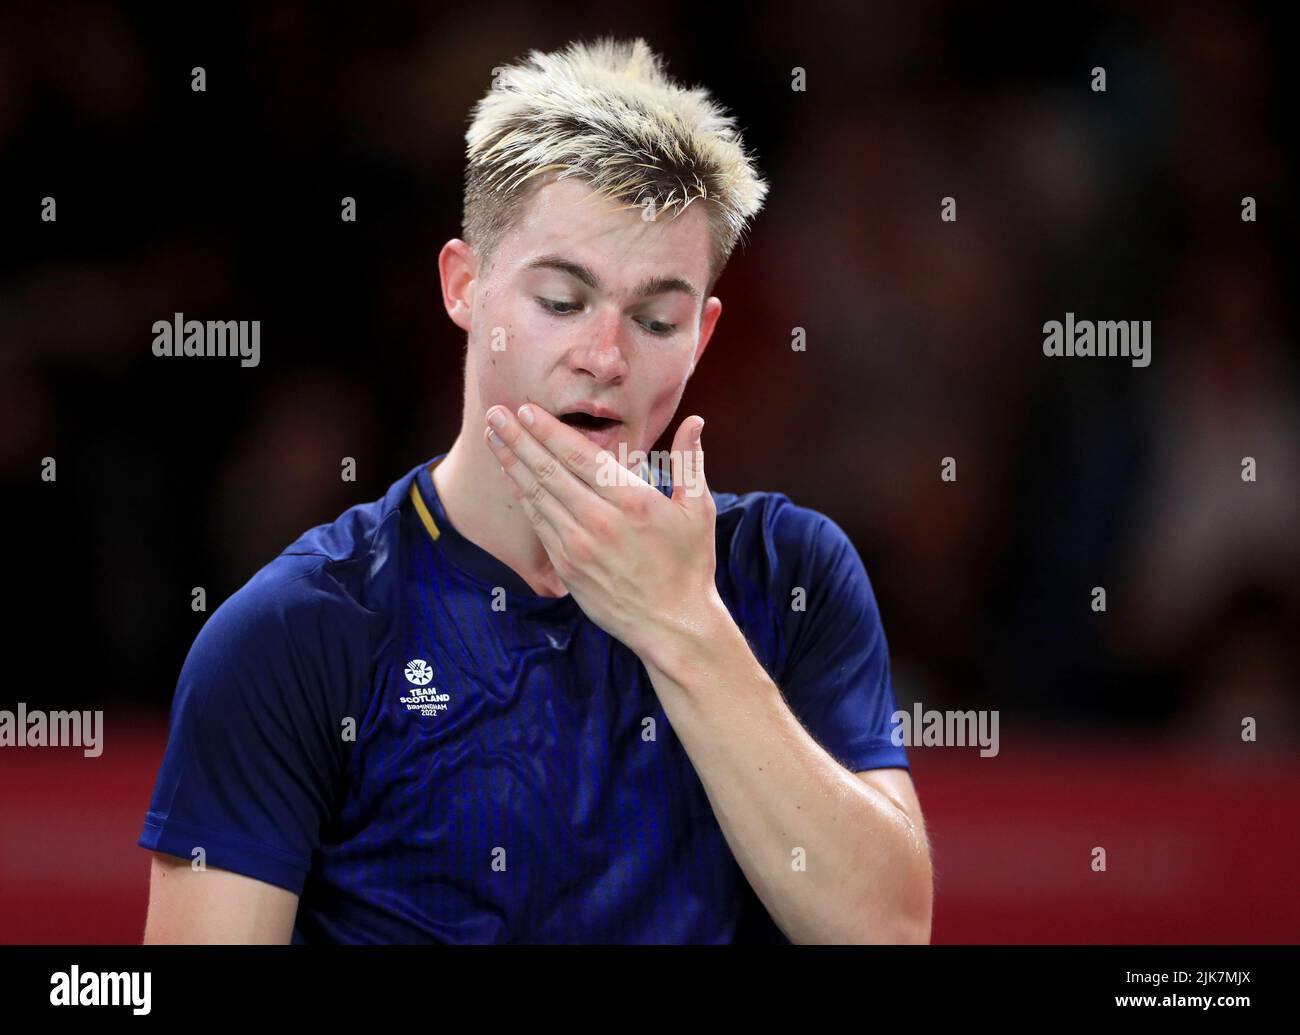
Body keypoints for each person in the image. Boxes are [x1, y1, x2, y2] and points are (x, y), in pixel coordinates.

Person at [139, 36, 932, 944]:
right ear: (464, 286)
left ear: (705, 332)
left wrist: (686, 626)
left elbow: (887, 931)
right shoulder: (295, 631)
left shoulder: (789, 572)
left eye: (657, 319)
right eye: (562, 301)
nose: (605, 358)